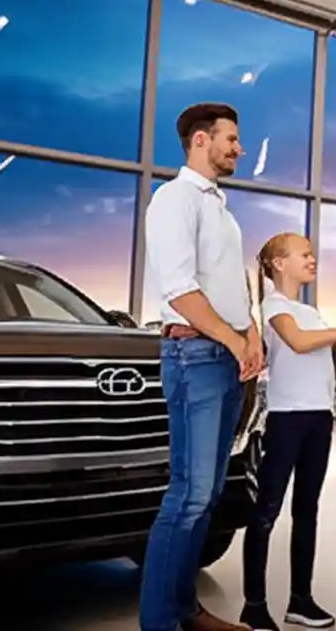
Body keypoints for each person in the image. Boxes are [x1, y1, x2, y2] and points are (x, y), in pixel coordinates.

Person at [141, 102, 265, 631]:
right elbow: (181, 291)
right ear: (200, 140)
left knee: (208, 493)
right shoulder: (173, 200)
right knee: (187, 494)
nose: (239, 148)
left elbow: (235, 284)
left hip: (226, 356)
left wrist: (252, 334)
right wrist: (233, 342)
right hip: (195, 357)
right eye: (231, 139)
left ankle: (185, 609)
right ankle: (160, 621)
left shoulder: (220, 209)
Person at [239, 232, 336, 631]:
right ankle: (254, 607)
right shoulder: (275, 305)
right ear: (280, 264)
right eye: (304, 254)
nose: (313, 260)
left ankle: (301, 600)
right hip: (287, 419)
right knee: (266, 512)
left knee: (307, 510)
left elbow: (316, 340)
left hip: (319, 418)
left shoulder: (310, 311)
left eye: (312, 254)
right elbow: (296, 342)